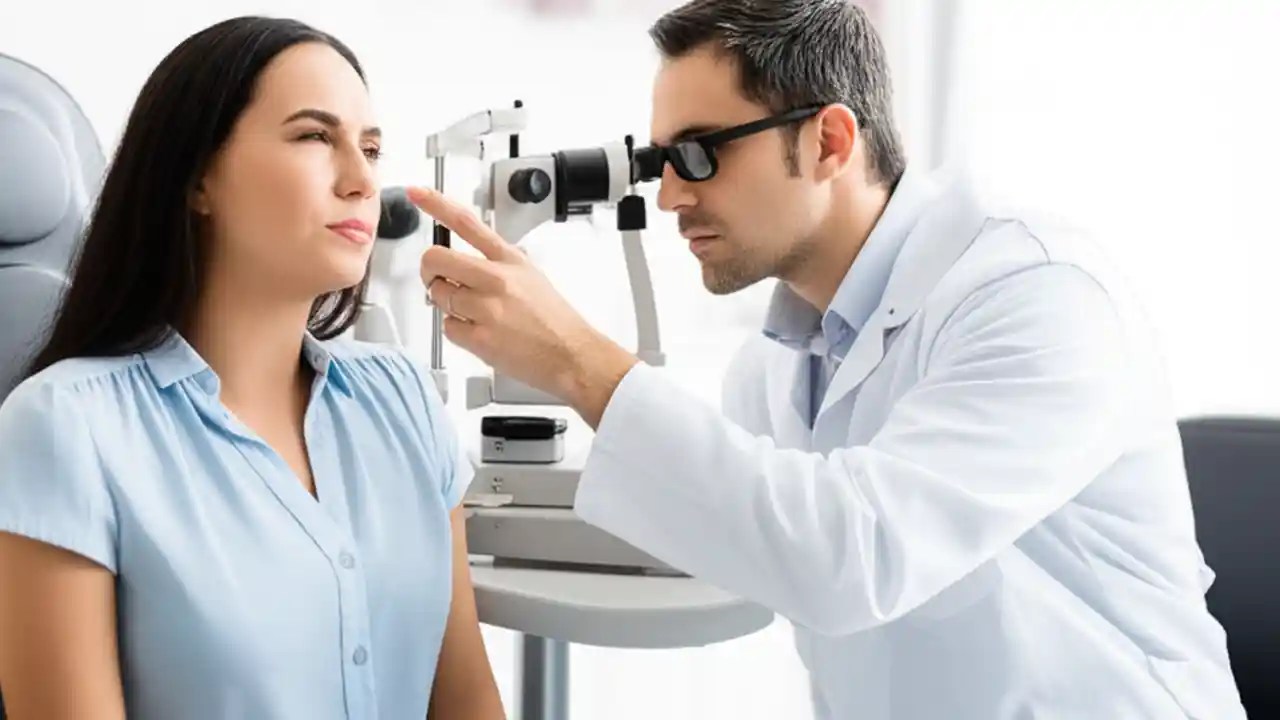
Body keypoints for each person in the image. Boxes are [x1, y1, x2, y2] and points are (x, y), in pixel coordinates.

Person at [408, 1, 1246, 718]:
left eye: (700, 154)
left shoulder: (1035, 296)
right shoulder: (775, 365)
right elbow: (746, 529)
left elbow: (850, 556)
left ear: (829, 142)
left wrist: (577, 361)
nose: (667, 195)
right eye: (662, 161)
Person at [0, 16, 504, 720]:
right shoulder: (64, 425)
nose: (362, 180)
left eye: (371, 147)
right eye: (313, 137)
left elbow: (469, 701)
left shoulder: (404, 398)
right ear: (197, 177)